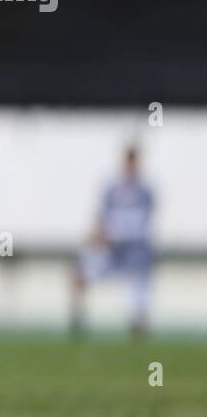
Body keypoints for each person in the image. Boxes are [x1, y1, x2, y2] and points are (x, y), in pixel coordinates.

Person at [70, 145, 155, 338]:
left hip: (134, 252)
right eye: (128, 160)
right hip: (111, 250)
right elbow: (102, 218)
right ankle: (77, 322)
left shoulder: (145, 192)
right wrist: (98, 235)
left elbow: (142, 225)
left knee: (139, 282)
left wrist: (120, 234)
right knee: (79, 271)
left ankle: (138, 327)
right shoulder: (113, 189)